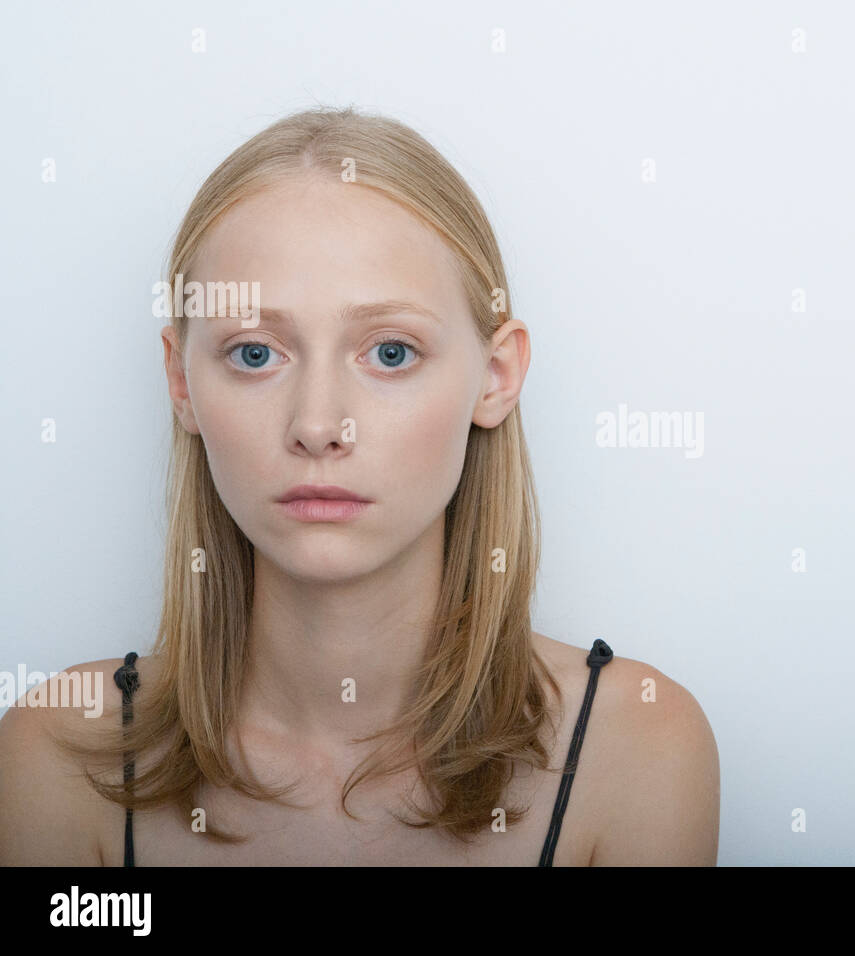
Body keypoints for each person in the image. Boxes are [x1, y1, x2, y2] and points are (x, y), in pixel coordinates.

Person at [0, 106, 719, 866]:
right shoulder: (58, 757)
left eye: (389, 352)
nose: (318, 424)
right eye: (253, 354)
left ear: (496, 378)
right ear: (182, 382)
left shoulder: (635, 752)